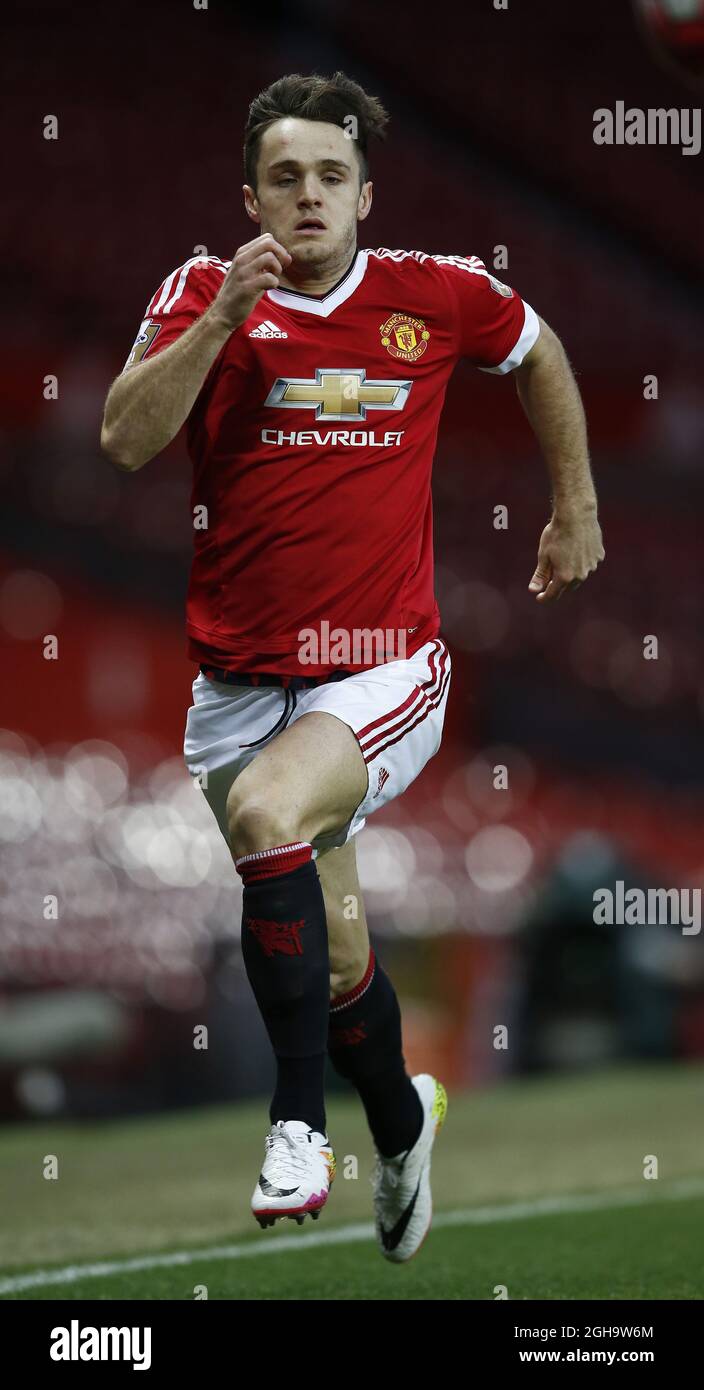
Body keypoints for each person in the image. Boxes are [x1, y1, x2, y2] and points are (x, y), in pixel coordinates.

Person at [100, 71, 604, 1263]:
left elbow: (537, 352)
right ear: (251, 195)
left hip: (379, 669)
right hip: (236, 690)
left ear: (364, 194)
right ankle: (399, 1126)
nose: (308, 195)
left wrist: (571, 507)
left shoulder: (433, 297)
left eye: (330, 176)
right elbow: (125, 438)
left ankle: (292, 1124)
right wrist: (222, 316)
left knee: (275, 811)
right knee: (333, 961)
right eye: (284, 177)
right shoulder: (196, 294)